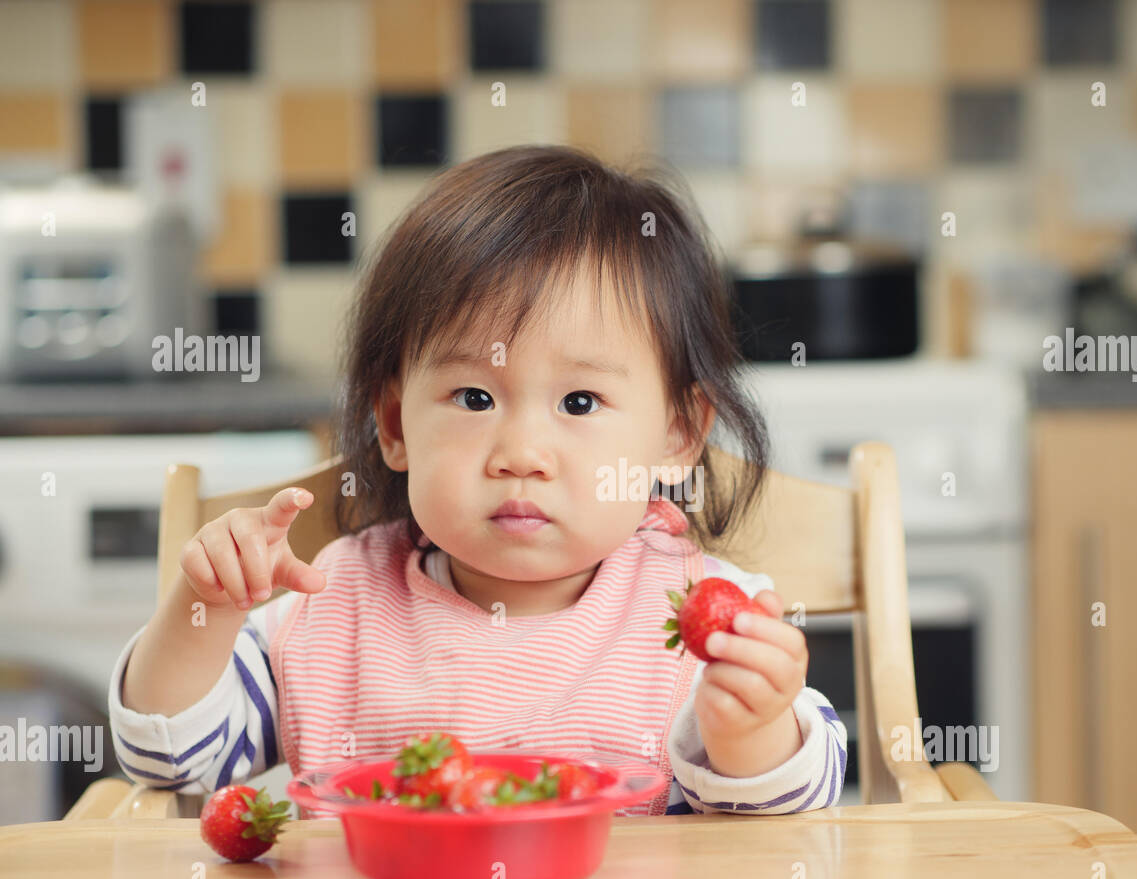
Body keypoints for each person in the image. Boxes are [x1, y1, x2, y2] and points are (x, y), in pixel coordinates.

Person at [109, 145, 846, 817]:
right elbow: (171, 763)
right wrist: (200, 610)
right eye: (474, 398)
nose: (521, 452)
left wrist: (749, 729)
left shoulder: (705, 622)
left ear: (677, 435)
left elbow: (791, 811)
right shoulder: (334, 607)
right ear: (395, 426)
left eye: (579, 402)